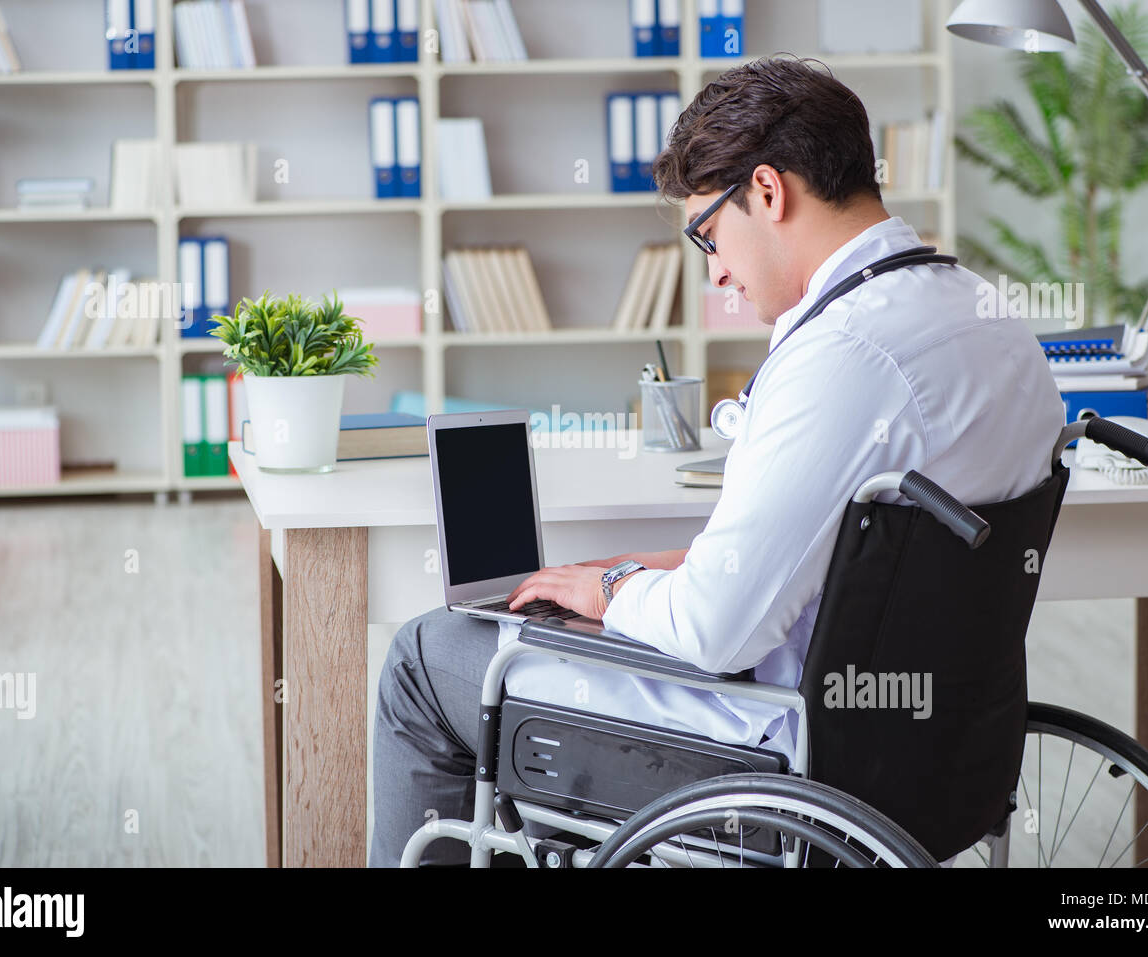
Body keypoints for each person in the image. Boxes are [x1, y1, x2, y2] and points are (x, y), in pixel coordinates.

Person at [369, 55, 1065, 867]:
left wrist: (614, 588)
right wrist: (630, 574)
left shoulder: (841, 353)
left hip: (781, 752)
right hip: (937, 758)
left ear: (767, 192)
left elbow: (717, 630)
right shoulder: (992, 321)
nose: (717, 272)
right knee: (569, 622)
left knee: (427, 657)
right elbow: (857, 560)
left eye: (708, 233)